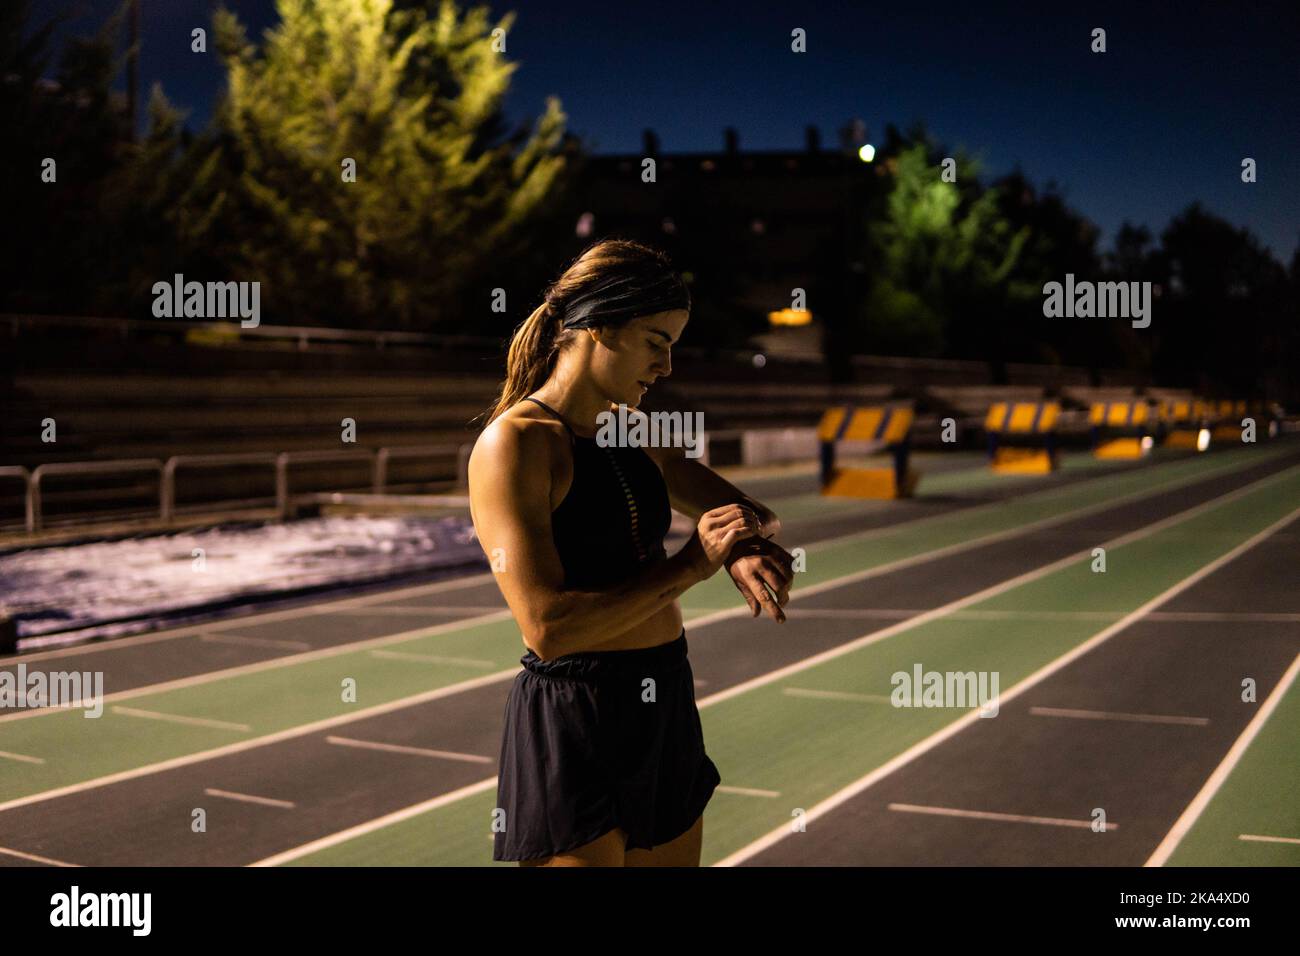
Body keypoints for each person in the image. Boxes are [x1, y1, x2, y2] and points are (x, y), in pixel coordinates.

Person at [468, 238, 795, 866]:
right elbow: (548, 629)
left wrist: (741, 546)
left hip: (663, 695)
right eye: (656, 341)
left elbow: (755, 514)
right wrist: (697, 563)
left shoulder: (634, 431)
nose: (666, 366)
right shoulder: (516, 445)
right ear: (598, 329)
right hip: (576, 714)